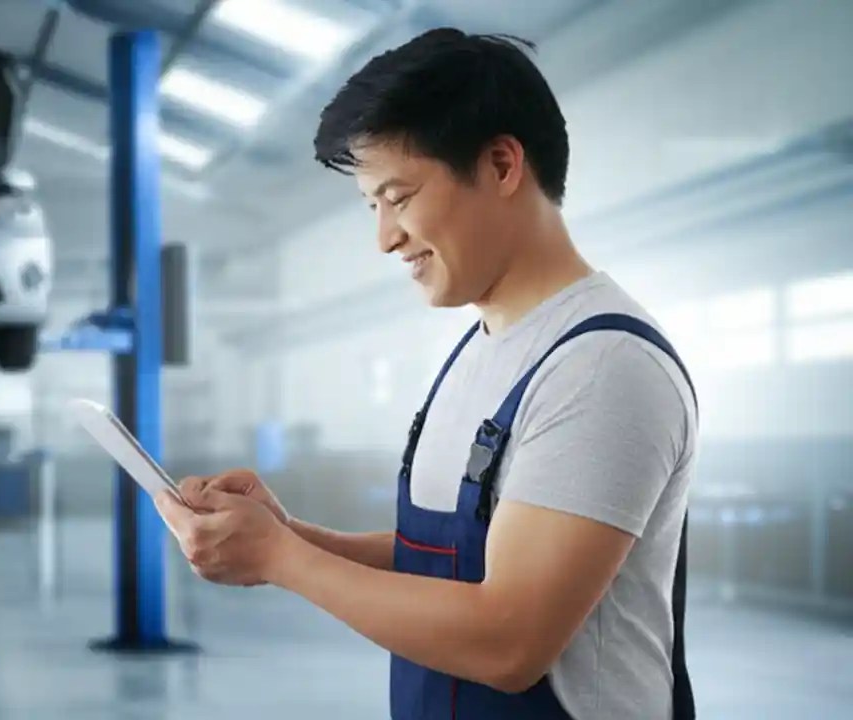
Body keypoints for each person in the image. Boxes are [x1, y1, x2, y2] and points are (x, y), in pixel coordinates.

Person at [153, 28, 699, 720]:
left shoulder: (603, 369)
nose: (384, 236)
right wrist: (285, 534)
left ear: (502, 164)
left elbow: (508, 640)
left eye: (400, 196)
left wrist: (280, 561)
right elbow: (446, 560)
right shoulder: (481, 351)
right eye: (371, 206)